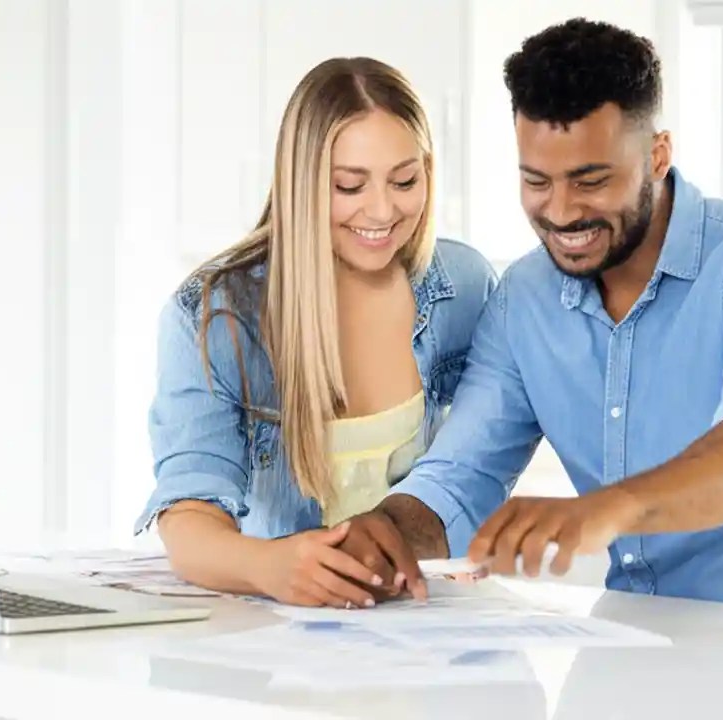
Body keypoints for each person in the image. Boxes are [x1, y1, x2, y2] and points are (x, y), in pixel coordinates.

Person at [342, 18, 723, 613]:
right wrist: (385, 534)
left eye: (591, 181)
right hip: (625, 644)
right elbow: (459, 477)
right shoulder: (524, 299)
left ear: (657, 156)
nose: (561, 211)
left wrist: (608, 509)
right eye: (537, 181)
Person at [134, 57, 496, 608]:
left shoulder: (463, 288)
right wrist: (269, 567)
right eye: (349, 186)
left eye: (405, 180)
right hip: (281, 628)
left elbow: (480, 463)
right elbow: (188, 515)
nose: (382, 210)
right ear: (299, 183)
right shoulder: (214, 316)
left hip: (424, 621)